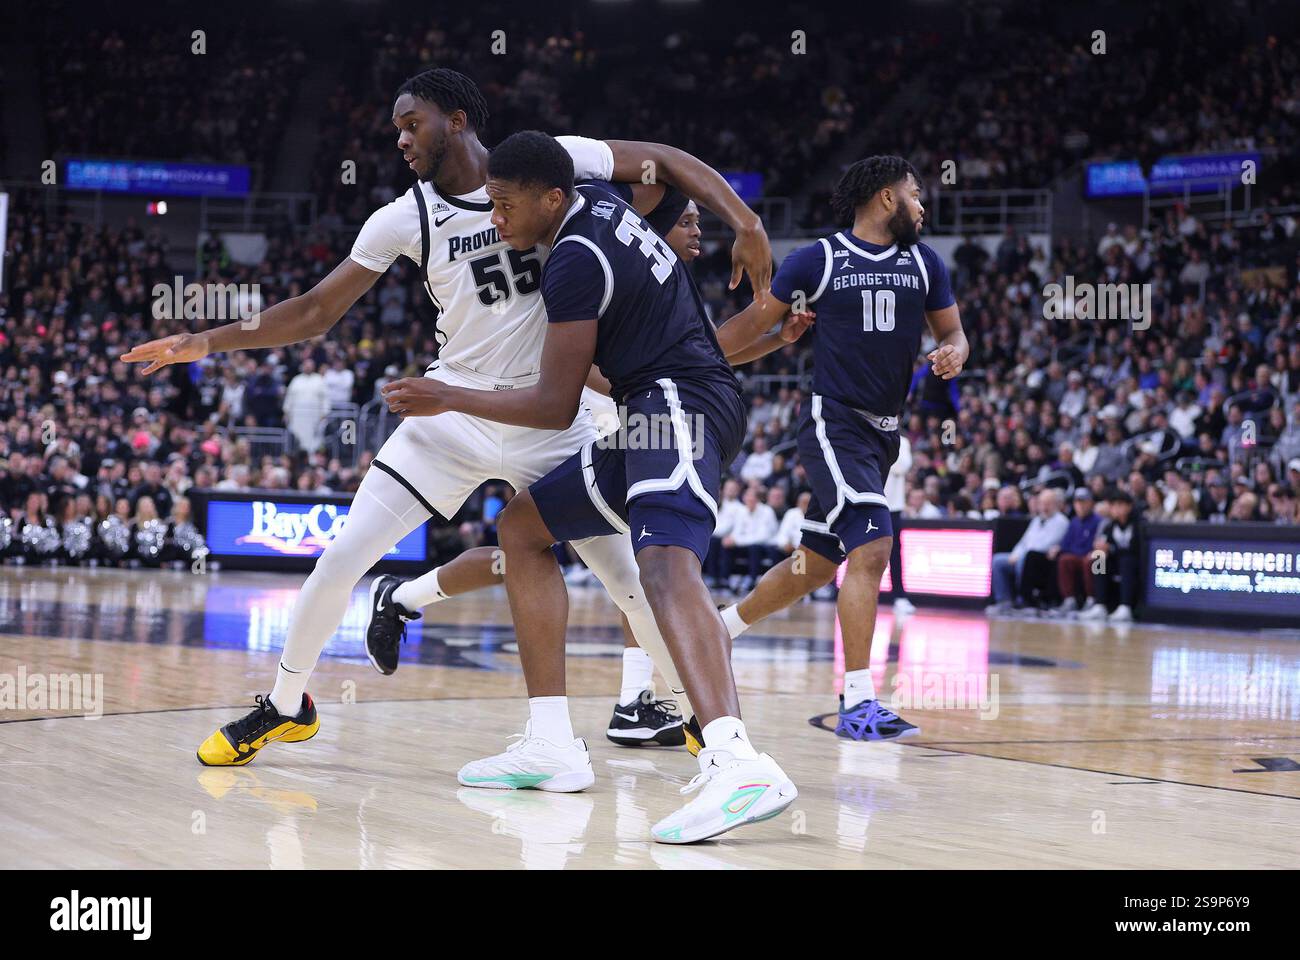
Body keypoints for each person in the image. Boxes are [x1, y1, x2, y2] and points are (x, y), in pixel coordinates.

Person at [122, 69, 773, 767]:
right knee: (342, 557)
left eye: (411, 123)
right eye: (397, 128)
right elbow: (314, 311)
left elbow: (665, 160)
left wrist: (748, 222)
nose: (400, 138)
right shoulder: (407, 217)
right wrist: (205, 340)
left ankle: (710, 728)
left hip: (550, 411)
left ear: (457, 120)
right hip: (453, 409)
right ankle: (287, 705)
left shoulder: (549, 161)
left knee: (631, 579)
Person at [382, 131, 797, 843]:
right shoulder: (599, 197)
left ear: (551, 198)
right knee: (523, 526)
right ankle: (550, 743)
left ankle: (735, 760)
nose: (497, 222)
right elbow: (666, 168)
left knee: (665, 565)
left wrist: (447, 395)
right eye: (491, 206)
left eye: (507, 208)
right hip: (653, 406)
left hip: (676, 408)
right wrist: (747, 222)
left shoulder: (573, 261)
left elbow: (553, 404)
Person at [713, 155, 968, 740]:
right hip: (835, 424)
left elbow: (952, 331)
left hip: (883, 434)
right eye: (915, 194)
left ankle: (720, 629)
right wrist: (694, 354)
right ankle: (858, 702)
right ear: (885, 198)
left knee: (816, 566)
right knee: (874, 548)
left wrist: (956, 351)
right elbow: (753, 327)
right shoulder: (818, 260)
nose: (923, 207)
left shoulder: (925, 262)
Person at [987, 488, 1068, 613]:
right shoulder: (1036, 520)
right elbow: (1023, 542)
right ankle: (1004, 601)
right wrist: (1015, 554)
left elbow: (1047, 544)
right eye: (1042, 503)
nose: (1044, 506)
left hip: (1041, 560)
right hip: (1024, 555)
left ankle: (1023, 599)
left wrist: (1021, 555)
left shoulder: (1061, 521)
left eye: (1048, 503)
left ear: (1056, 504)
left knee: (1026, 559)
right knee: (998, 560)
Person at [1081, 490, 1138, 622]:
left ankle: (1126, 607)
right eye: (1113, 506)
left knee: (1127, 560)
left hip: (1133, 565)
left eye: (1120, 505)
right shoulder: (1110, 526)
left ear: (1129, 506)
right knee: (1099, 557)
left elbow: (1136, 549)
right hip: (1114, 563)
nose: (1116, 509)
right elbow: (1104, 544)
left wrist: (1111, 548)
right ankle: (1099, 604)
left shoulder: (1137, 524)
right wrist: (1101, 547)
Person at [1052, 488, 1102, 612]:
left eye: (1083, 502)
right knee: (1064, 559)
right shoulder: (1074, 522)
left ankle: (1095, 600)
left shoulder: (1100, 521)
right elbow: (1065, 544)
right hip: (1078, 556)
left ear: (1091, 503)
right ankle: (1069, 600)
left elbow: (1099, 545)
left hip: (1097, 557)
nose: (1080, 506)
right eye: (1077, 503)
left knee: (1096, 559)